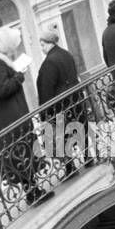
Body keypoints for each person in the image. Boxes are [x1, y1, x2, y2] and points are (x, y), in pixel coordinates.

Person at [0, 27, 38, 198]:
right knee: (22, 154)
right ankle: (33, 193)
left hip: (10, 119)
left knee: (22, 155)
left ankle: (33, 190)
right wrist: (19, 76)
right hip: (12, 120)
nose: (14, 51)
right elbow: (2, 89)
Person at [35, 24, 87, 169]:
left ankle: (70, 168)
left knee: (61, 138)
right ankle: (88, 158)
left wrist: (45, 113)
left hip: (61, 106)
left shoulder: (49, 63)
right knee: (81, 129)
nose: (42, 48)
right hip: (75, 99)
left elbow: (46, 90)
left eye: (43, 44)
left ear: (50, 43)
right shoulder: (66, 54)